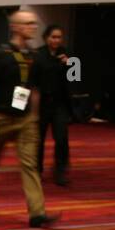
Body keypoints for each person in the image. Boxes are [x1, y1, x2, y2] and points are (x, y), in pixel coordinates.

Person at [0, 10, 61, 228]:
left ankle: (37, 213)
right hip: (1, 117)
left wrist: (35, 117)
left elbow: (35, 89)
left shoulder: (35, 57)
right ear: (16, 27)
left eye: (34, 23)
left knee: (30, 164)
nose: (33, 27)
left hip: (25, 119)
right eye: (28, 23)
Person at [36, 24, 73, 186]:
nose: (56, 40)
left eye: (59, 37)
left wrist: (69, 65)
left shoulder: (67, 55)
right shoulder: (39, 55)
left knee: (62, 138)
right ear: (46, 38)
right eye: (53, 37)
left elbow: (75, 78)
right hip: (42, 103)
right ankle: (36, 170)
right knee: (39, 139)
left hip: (59, 103)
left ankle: (60, 170)